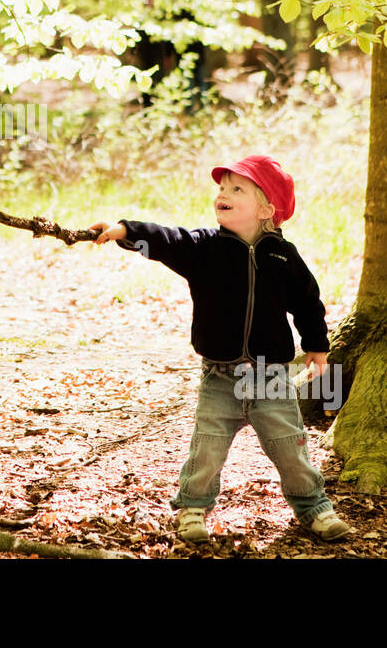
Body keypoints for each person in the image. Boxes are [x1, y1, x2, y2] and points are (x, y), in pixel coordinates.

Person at [90, 154, 351, 543]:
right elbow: (167, 240)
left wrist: (316, 346)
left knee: (291, 448)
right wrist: (125, 231)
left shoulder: (283, 257)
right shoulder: (204, 248)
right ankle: (192, 507)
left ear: (267, 208)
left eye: (236, 188)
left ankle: (313, 506)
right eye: (221, 188)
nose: (222, 194)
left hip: (271, 379)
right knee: (206, 451)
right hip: (220, 376)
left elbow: (308, 302)